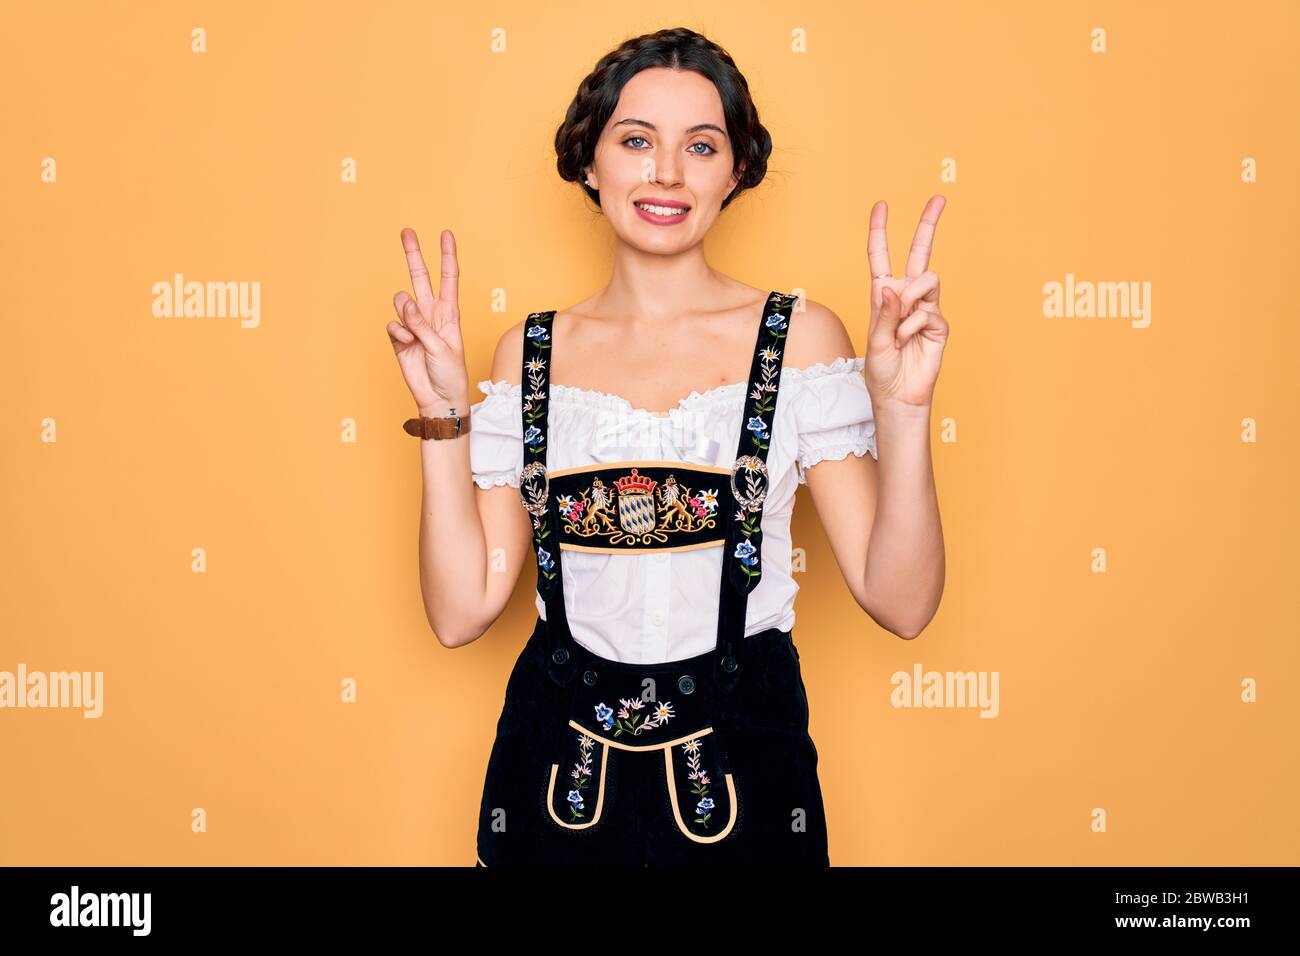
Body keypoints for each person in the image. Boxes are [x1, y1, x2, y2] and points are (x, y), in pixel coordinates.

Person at [385, 26, 947, 866]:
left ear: (736, 172)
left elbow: (903, 604)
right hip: (550, 788)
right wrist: (441, 417)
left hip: (750, 784)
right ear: (590, 161)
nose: (668, 173)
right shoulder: (526, 355)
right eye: (637, 140)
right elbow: (461, 612)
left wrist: (903, 410)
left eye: (702, 146)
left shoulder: (798, 340)